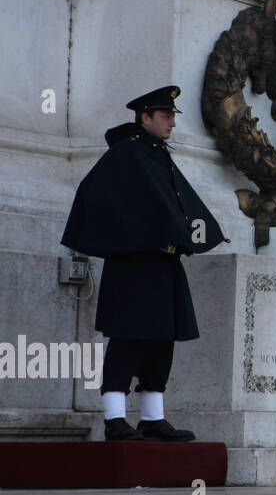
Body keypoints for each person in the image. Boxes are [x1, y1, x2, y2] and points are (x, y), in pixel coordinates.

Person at [61, 86, 227, 442]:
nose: (171, 123)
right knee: (129, 338)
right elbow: (96, 198)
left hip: (164, 263)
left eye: (172, 117)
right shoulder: (126, 154)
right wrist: (134, 236)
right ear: (145, 117)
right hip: (134, 265)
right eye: (165, 116)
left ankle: (153, 418)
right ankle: (115, 419)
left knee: (161, 339)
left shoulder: (156, 154)